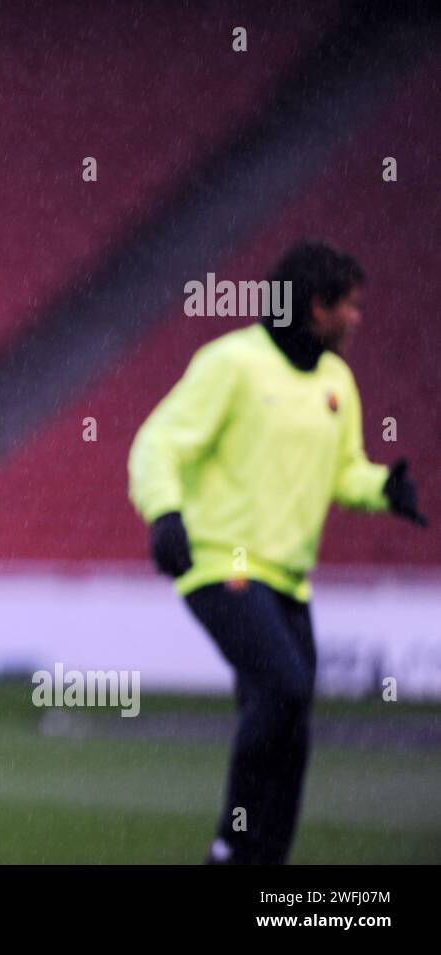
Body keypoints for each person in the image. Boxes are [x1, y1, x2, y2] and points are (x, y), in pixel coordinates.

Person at [128, 239, 427, 864]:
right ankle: (230, 846)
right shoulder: (232, 362)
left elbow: (345, 472)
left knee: (292, 723)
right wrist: (165, 515)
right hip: (223, 564)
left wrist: (383, 489)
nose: (358, 318)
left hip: (290, 579)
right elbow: (157, 444)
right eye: (350, 305)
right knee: (284, 689)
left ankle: (267, 865)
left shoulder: (336, 382)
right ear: (316, 306)